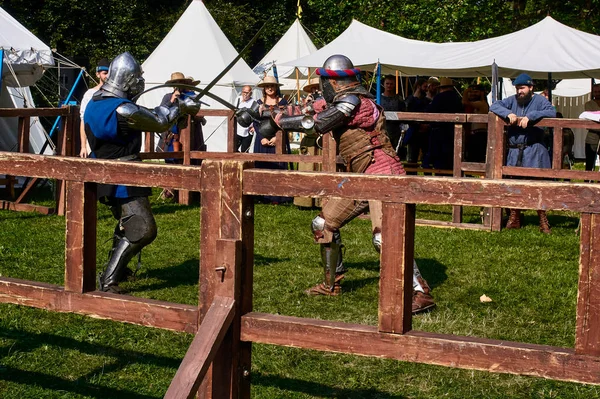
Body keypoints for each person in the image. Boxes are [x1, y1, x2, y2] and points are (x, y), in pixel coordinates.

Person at [243, 55, 435, 314]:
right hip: (359, 175)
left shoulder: (356, 103)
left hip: (383, 173)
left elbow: (317, 124)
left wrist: (276, 122)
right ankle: (332, 283)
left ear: (334, 81)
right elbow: (302, 110)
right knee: (323, 225)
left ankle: (420, 292)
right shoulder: (337, 101)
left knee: (383, 237)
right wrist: (258, 111)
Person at [84, 52, 202, 293]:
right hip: (123, 174)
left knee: (126, 224)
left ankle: (120, 270)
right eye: (136, 78)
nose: (140, 82)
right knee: (144, 229)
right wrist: (180, 106)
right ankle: (108, 280)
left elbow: (149, 114)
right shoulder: (121, 110)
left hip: (107, 170)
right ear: (127, 79)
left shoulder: (97, 101)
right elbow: (158, 121)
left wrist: (173, 111)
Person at [490, 73, 556, 234]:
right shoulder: (512, 100)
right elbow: (494, 106)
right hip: (515, 150)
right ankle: (515, 217)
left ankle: (542, 219)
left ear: (531, 87)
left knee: (537, 184)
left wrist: (531, 116)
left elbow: (552, 112)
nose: (519, 91)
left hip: (534, 150)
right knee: (513, 183)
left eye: (522, 88)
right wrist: (509, 114)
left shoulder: (539, 101)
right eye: (517, 88)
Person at [252, 75, 292, 204]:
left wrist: (277, 137)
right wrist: (262, 137)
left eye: (272, 86)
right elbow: (255, 122)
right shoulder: (258, 103)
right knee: (262, 166)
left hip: (279, 138)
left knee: (278, 167)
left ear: (276, 87)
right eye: (267, 86)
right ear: (264, 88)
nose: (270, 88)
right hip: (261, 140)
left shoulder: (283, 103)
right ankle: (262, 196)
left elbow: (287, 121)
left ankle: (278, 197)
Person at [424, 77, 463, 170]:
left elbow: (429, 111)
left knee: (439, 158)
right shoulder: (457, 98)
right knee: (451, 157)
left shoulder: (439, 97)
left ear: (441, 88)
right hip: (454, 130)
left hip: (439, 131)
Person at [79, 58, 110, 158]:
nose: (108, 76)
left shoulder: (117, 94)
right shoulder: (90, 94)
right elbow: (84, 120)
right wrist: (83, 146)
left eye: (110, 73)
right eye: (105, 73)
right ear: (98, 74)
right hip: (94, 143)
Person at [380, 75, 406, 154]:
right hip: (381, 129)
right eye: (387, 83)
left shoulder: (399, 99)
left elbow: (403, 113)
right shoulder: (378, 99)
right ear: (384, 84)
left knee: (395, 152)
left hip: (395, 130)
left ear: (394, 85)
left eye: (391, 84)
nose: (389, 86)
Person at [462, 84, 490, 162]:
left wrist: (466, 91)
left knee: (477, 158)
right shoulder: (479, 103)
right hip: (475, 134)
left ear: (482, 93)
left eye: (476, 92)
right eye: (471, 92)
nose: (473, 94)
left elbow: (464, 102)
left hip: (479, 135)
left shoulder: (481, 103)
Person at [234, 85, 256, 153]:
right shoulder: (238, 99)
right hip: (237, 129)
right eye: (244, 92)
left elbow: (256, 116)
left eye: (247, 93)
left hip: (248, 130)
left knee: (245, 151)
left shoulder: (253, 102)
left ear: (251, 93)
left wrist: (254, 126)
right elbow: (234, 112)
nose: (245, 94)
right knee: (234, 149)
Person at [584, 84, 600, 171]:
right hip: (592, 137)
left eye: (599, 92)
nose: (597, 94)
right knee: (590, 163)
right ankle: (588, 182)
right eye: (595, 92)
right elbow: (590, 120)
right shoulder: (589, 104)